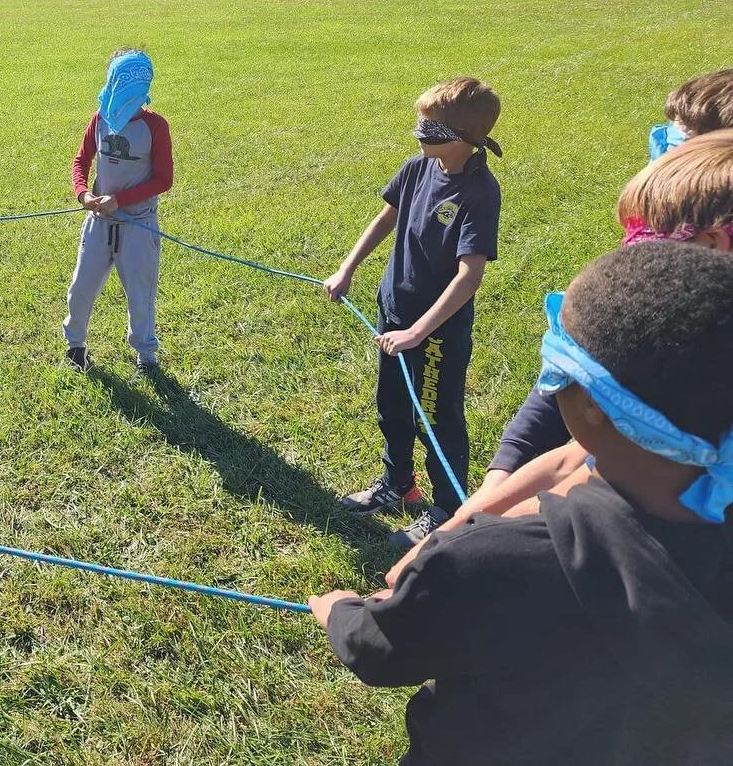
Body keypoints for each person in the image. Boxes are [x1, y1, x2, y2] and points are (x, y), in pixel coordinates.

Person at [309, 242, 733, 766]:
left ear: (594, 408)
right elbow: (570, 460)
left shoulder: (488, 563)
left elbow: (379, 650)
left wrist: (338, 611)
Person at [389, 129, 733, 574]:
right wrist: (468, 522)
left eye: (645, 237)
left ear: (710, 245)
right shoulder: (669, 309)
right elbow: (567, 447)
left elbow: (591, 482)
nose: (629, 256)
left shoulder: (687, 338)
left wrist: (463, 546)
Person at [479, 74, 733, 499]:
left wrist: (473, 531)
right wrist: (502, 473)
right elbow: (586, 363)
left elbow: (598, 463)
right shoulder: (672, 246)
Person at [323, 77, 502, 548]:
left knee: (436, 417)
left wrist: (419, 332)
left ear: (462, 136)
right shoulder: (416, 168)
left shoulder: (479, 192)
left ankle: (447, 508)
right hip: (394, 310)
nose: (419, 131)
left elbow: (469, 276)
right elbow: (387, 217)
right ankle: (398, 485)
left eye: (430, 125)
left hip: (436, 329)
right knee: (393, 406)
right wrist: (347, 269)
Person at [61, 48, 173, 375]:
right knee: (81, 287)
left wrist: (122, 200)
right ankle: (75, 347)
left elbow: (164, 179)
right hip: (98, 223)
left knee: (141, 293)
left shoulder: (155, 127)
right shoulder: (99, 119)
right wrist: (83, 194)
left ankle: (146, 357)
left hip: (138, 225)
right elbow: (80, 161)